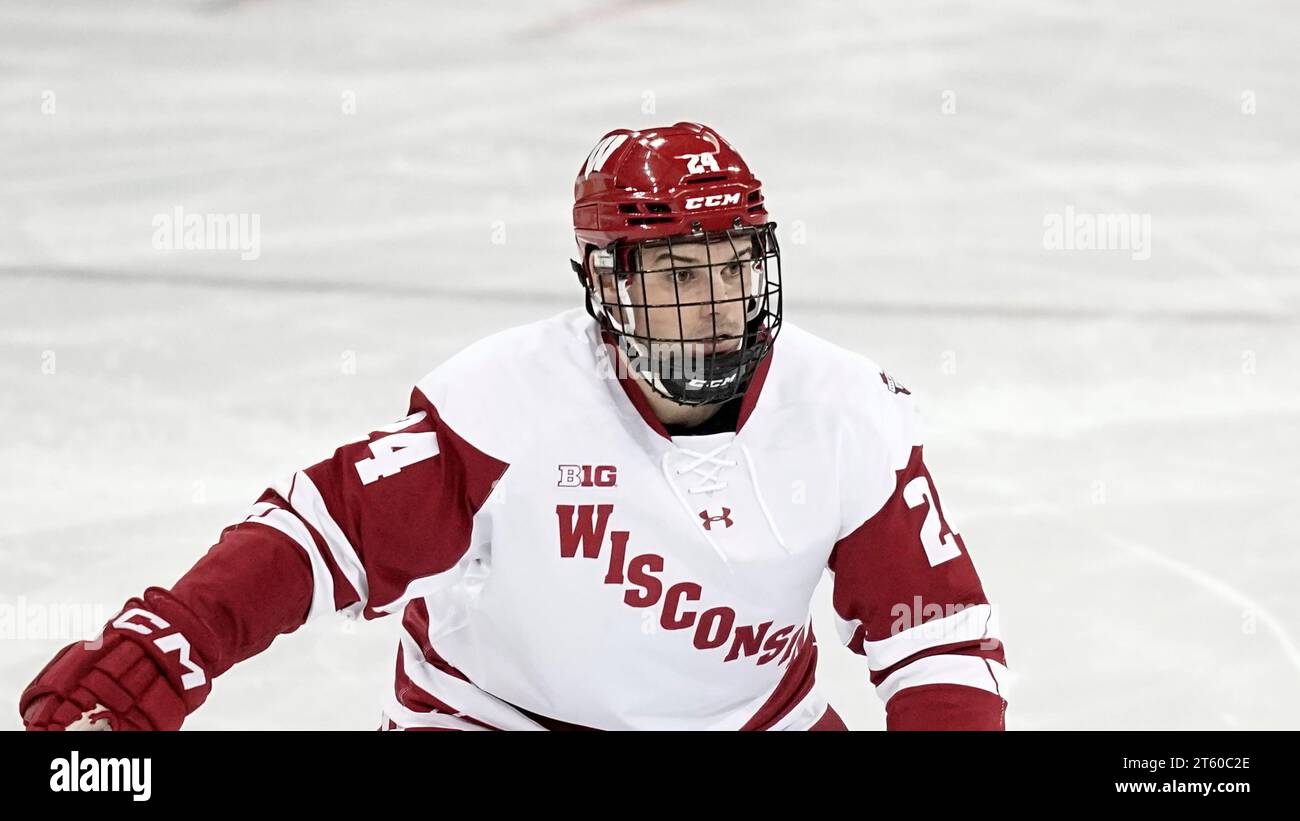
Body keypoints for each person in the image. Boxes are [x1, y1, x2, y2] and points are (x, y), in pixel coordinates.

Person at [20, 122, 1008, 731]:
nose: (712, 300)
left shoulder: (841, 411)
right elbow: (312, 534)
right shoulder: (507, 408)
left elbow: (935, 639)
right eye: (673, 272)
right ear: (603, 285)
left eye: (731, 263)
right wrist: (150, 662)